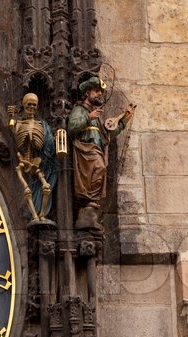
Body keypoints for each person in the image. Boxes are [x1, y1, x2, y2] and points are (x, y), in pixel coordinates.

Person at [67, 76, 135, 231]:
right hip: (85, 152)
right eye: (96, 91)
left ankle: (91, 207)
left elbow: (105, 136)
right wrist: (88, 118)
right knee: (99, 168)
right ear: (87, 93)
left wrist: (124, 121)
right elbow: (72, 128)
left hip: (96, 150)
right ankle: (87, 205)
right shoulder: (80, 110)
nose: (99, 94)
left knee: (100, 170)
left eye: (101, 92)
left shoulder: (96, 114)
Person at [7, 92, 58, 226]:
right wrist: (11, 116)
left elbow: (49, 142)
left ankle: (41, 214)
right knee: (29, 188)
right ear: (23, 106)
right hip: (24, 160)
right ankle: (34, 215)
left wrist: (56, 140)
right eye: (29, 105)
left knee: (46, 186)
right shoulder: (18, 124)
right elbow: (13, 128)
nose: (31, 108)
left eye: (34, 105)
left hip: (39, 161)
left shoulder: (43, 125)